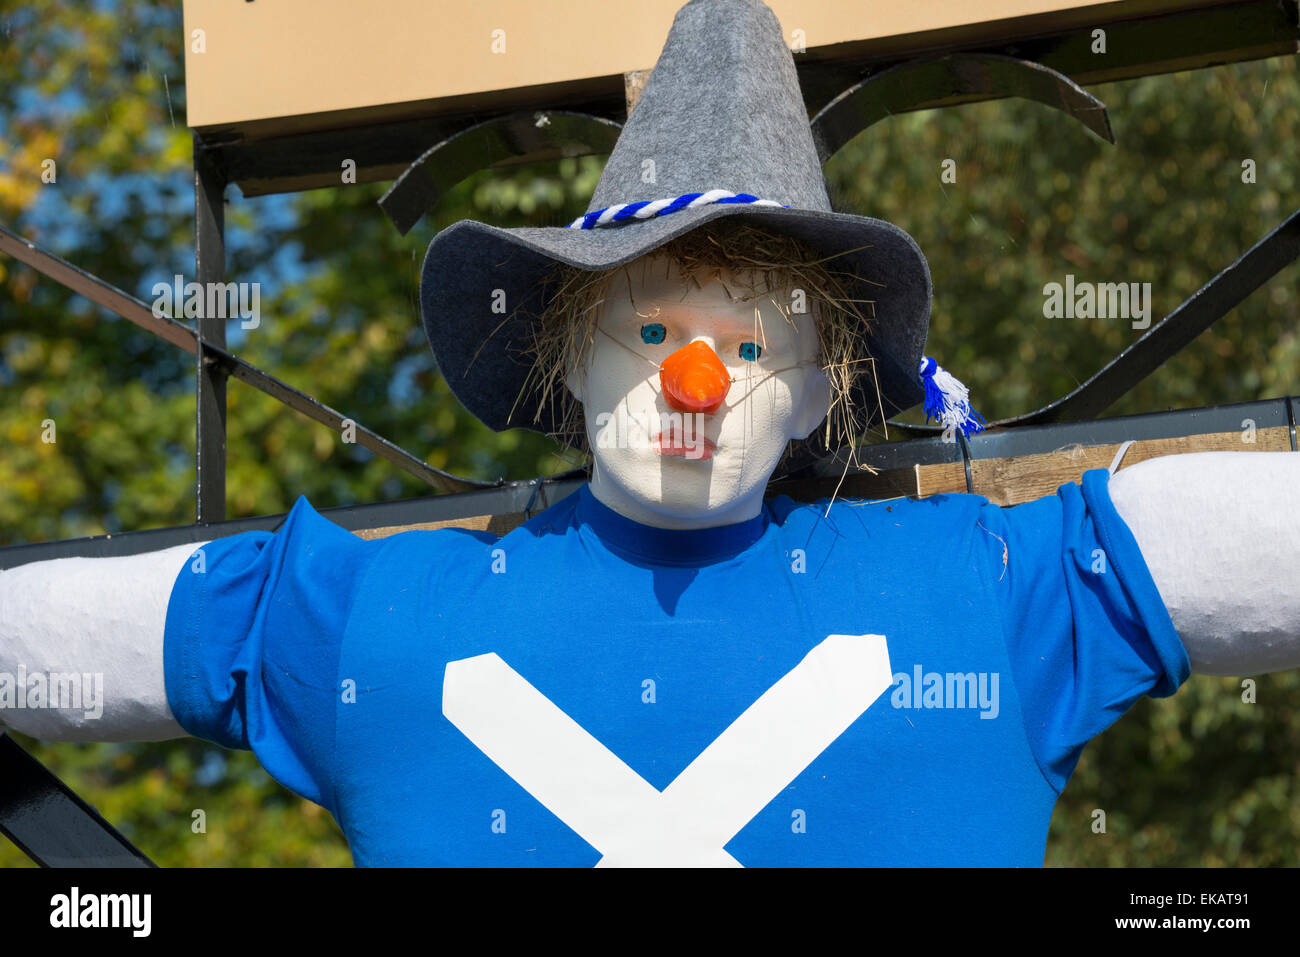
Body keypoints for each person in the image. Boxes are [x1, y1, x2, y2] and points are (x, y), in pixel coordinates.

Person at [2, 0, 1298, 866]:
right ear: (565, 353)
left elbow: (1202, 556)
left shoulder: (1003, 594)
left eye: (750, 343)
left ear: (818, 385)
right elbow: (105, 635)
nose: (696, 377)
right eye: (648, 329)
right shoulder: (363, 616)